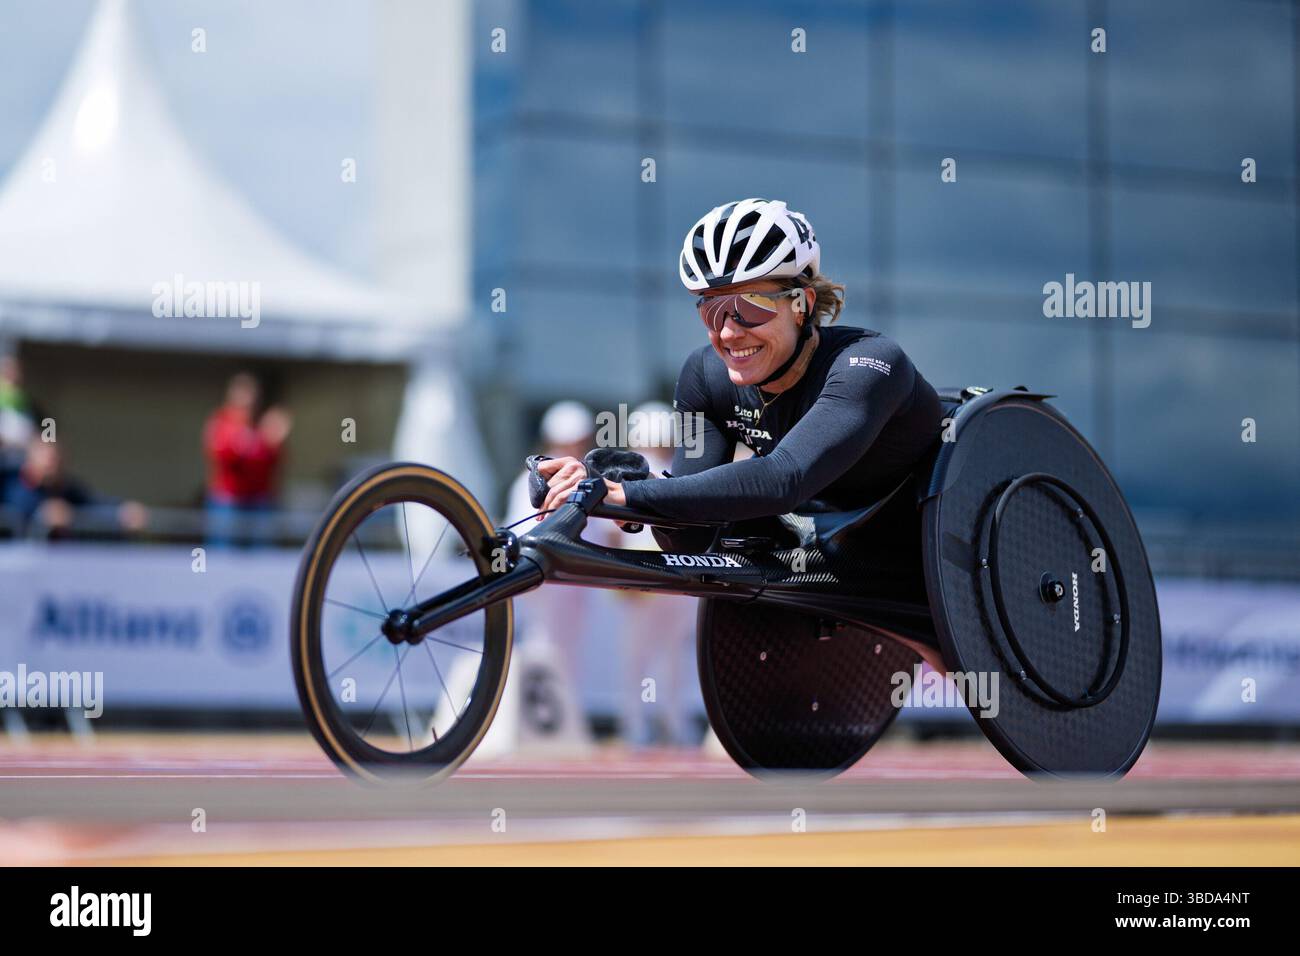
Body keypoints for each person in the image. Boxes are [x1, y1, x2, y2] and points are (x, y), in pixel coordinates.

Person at [535, 197, 944, 555]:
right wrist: (610, 488)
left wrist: (633, 494)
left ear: (802, 304)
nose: (729, 332)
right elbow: (691, 539)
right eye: (712, 310)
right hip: (831, 564)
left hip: (929, 549)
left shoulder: (868, 365)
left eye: (751, 307)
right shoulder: (705, 377)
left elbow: (785, 478)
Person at [203, 372, 292, 547]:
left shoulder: (261, 424)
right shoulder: (220, 421)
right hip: (227, 501)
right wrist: (255, 443)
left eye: (251, 395)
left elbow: (276, 461)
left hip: (258, 501)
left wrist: (273, 442)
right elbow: (223, 455)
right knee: (222, 557)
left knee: (261, 557)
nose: (246, 401)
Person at [2, 438, 147, 539]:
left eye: (56, 460)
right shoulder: (11, 485)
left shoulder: (67, 488)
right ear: (30, 461)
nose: (52, 466)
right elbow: (16, 512)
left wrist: (121, 509)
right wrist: (40, 515)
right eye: (47, 461)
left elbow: (93, 502)